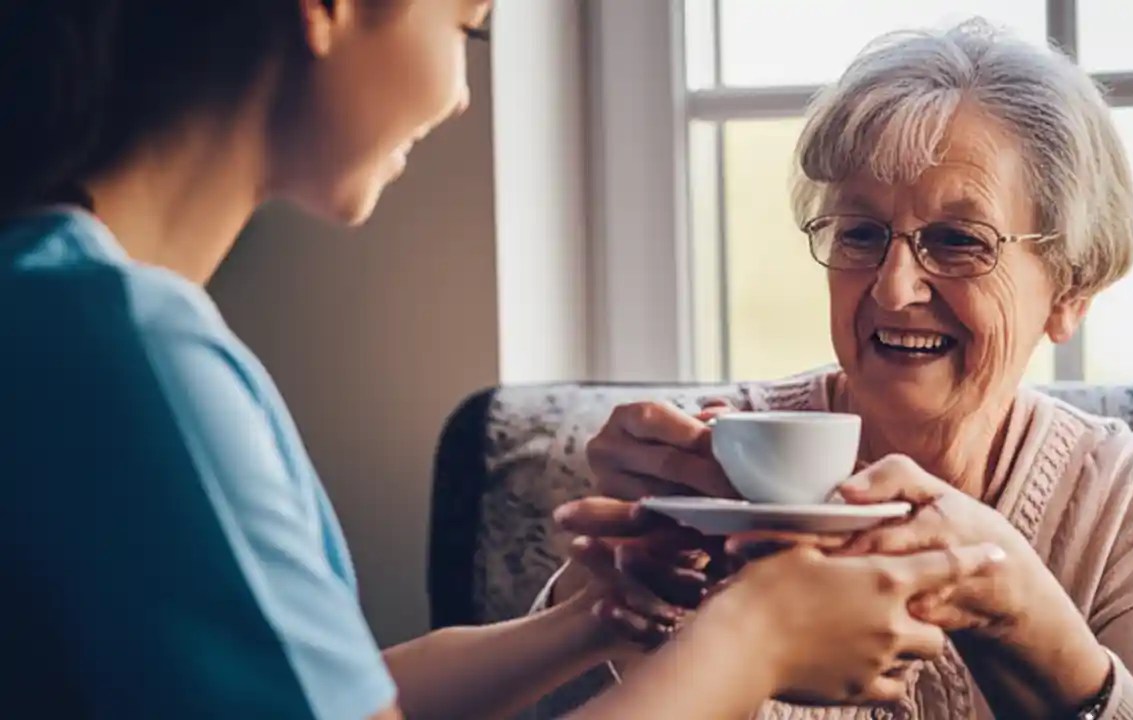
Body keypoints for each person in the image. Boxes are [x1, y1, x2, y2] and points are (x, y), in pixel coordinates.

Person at [0, 1, 1008, 718]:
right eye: (465, 28)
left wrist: (594, 621)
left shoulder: (61, 307)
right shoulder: (132, 353)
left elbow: (340, 699)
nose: (458, 98)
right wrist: (754, 640)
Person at [542, 18, 1133, 720]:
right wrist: (607, 588)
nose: (893, 288)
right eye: (861, 234)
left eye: (958, 240)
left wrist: (1026, 617)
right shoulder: (715, 472)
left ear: (1070, 292)